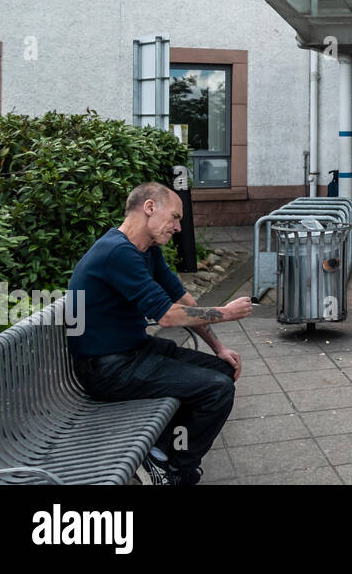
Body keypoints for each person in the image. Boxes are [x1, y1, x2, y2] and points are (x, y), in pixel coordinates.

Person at [67, 182, 253, 485]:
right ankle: (175, 469)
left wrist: (218, 347)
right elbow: (167, 316)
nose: (178, 227)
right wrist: (227, 313)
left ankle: (162, 449)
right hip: (106, 368)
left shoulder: (146, 250)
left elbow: (181, 299)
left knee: (223, 369)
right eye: (175, 217)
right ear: (150, 207)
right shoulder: (117, 252)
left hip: (133, 352)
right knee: (217, 389)